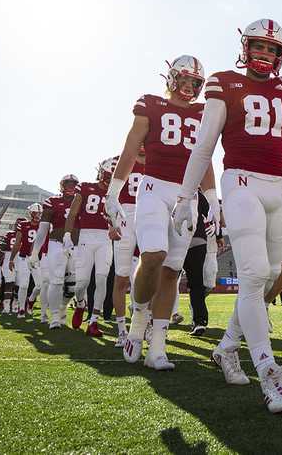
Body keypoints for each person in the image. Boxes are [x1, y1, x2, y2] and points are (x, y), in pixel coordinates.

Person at [177, 18, 282, 414]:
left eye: (272, 49)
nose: (264, 54)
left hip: (279, 188)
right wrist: (185, 196)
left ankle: (228, 347)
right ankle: (269, 372)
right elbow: (203, 148)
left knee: (268, 274)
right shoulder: (223, 83)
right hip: (241, 182)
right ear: (246, 47)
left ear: (280, 56)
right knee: (252, 276)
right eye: (259, 47)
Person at [106, 55, 218, 369]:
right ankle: (139, 317)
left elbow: (206, 159)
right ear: (170, 78)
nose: (188, 87)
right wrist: (114, 192)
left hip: (187, 195)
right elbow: (130, 149)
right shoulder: (150, 104)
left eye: (194, 83)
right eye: (183, 80)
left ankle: (157, 347)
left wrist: (213, 201)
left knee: (172, 271)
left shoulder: (203, 112)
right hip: (154, 188)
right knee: (153, 255)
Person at [63, 160, 115, 335]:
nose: (107, 181)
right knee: (81, 284)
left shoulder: (117, 191)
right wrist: (67, 234)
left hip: (105, 238)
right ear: (100, 173)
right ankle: (80, 304)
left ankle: (94, 321)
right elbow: (73, 213)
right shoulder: (85, 187)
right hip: (85, 236)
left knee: (101, 279)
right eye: (107, 176)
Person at [104, 147, 145, 343]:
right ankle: (121, 330)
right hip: (124, 217)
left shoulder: (158, 156)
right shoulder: (120, 160)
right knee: (121, 277)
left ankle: (146, 325)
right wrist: (111, 224)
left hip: (148, 216)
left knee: (149, 274)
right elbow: (110, 198)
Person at [31, 175, 82, 329]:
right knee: (56, 281)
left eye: (74, 183)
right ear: (62, 185)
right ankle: (54, 316)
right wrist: (35, 252)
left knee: (74, 285)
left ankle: (62, 307)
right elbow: (43, 229)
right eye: (68, 183)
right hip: (56, 244)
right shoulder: (52, 201)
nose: (71, 186)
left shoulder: (82, 200)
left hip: (78, 245)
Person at [182, 193, 220, 336]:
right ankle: (199, 321)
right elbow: (210, 213)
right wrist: (218, 234)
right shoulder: (198, 194)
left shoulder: (172, 185)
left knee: (172, 280)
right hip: (195, 238)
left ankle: (158, 322)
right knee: (195, 282)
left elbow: (210, 213)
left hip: (185, 238)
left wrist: (218, 233)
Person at [8, 203, 43, 318]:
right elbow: (18, 243)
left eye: (38, 213)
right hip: (24, 257)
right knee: (23, 285)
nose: (37, 215)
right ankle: (22, 309)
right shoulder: (23, 225)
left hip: (38, 259)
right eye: (35, 212)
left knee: (39, 285)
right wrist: (11, 259)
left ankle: (31, 301)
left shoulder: (44, 225)